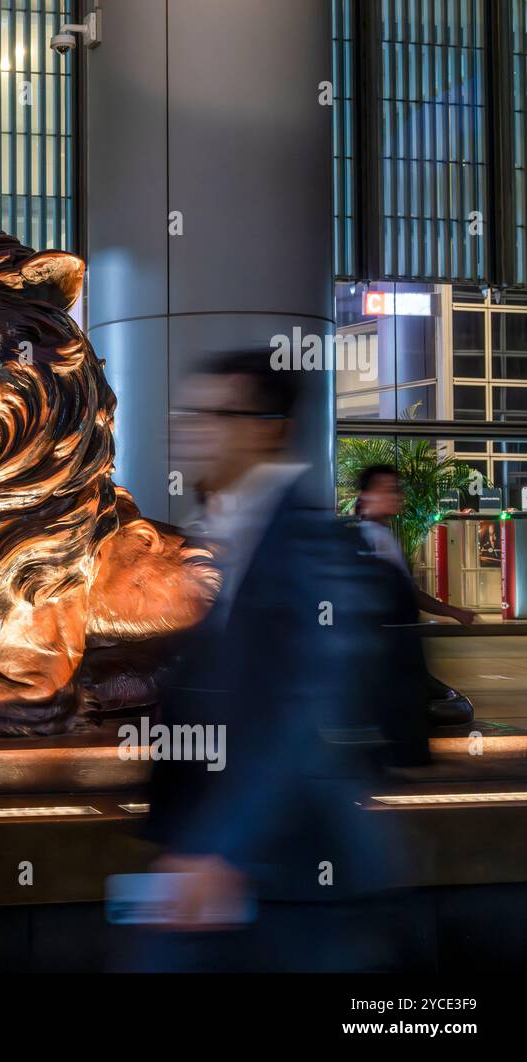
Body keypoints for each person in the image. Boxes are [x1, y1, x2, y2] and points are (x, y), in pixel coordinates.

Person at [129, 349, 403, 972]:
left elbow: (298, 711)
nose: (190, 427)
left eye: (212, 414)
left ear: (266, 428)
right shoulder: (224, 531)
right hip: (222, 873)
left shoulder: (308, 542)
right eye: (187, 411)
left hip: (291, 875)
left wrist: (217, 853)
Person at [355, 463, 475, 732]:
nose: (396, 496)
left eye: (397, 490)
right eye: (387, 490)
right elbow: (409, 594)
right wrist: (454, 611)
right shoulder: (374, 537)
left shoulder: (372, 535)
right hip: (390, 649)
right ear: (366, 497)